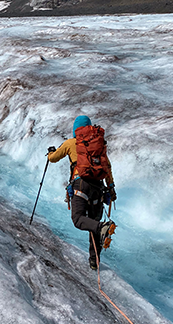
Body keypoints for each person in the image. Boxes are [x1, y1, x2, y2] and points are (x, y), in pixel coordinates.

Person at [47, 115, 117, 270]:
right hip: (98, 188)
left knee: (79, 219)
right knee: (94, 224)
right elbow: (107, 168)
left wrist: (51, 152)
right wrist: (111, 188)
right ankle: (94, 262)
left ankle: (103, 227)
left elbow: (53, 159)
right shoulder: (97, 146)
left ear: (75, 130)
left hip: (81, 185)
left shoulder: (71, 143)